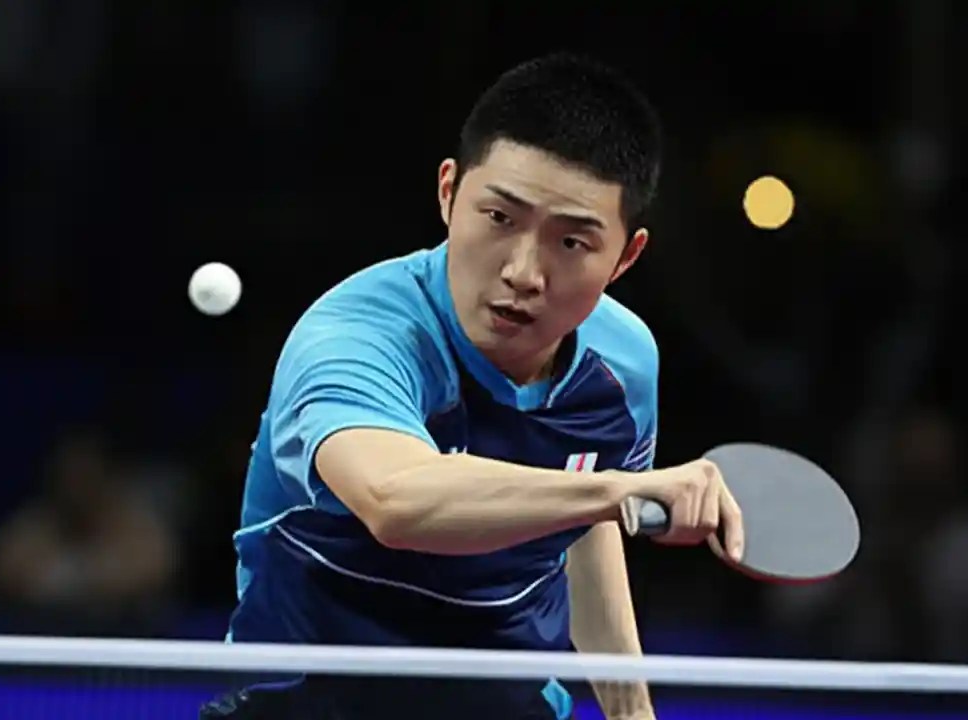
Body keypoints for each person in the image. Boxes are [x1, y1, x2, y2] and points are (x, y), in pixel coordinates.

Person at [206, 53, 744, 720]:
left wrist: (632, 714)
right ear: (448, 194)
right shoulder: (358, 334)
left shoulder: (623, 363)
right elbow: (395, 500)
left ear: (625, 257)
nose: (524, 271)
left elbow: (585, 526)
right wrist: (617, 489)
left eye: (572, 244)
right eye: (500, 218)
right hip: (308, 704)